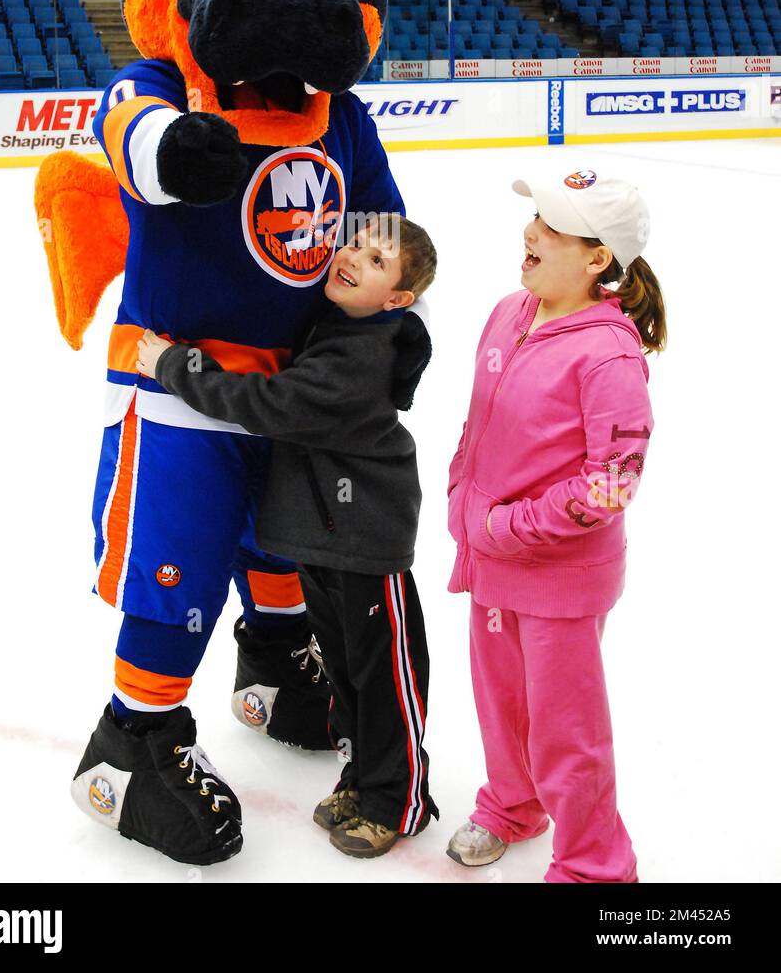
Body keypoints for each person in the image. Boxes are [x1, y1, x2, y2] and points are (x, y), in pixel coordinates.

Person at [137, 214, 440, 859]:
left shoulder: (361, 352)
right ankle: (361, 782)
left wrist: (175, 367)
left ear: (397, 300)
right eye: (356, 243)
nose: (353, 257)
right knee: (346, 672)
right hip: (327, 539)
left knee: (384, 675)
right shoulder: (339, 323)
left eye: (378, 261)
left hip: (365, 540)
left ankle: (399, 800)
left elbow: (270, 402)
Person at [446, 167, 666, 882]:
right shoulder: (511, 308)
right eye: (533, 219)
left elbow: (611, 484)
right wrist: (462, 497)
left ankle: (595, 867)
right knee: (501, 705)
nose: (529, 234)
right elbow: (480, 423)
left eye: (549, 227)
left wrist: (508, 527)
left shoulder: (608, 353)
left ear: (598, 257)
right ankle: (513, 806)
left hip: (558, 579)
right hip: (490, 561)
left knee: (569, 734)